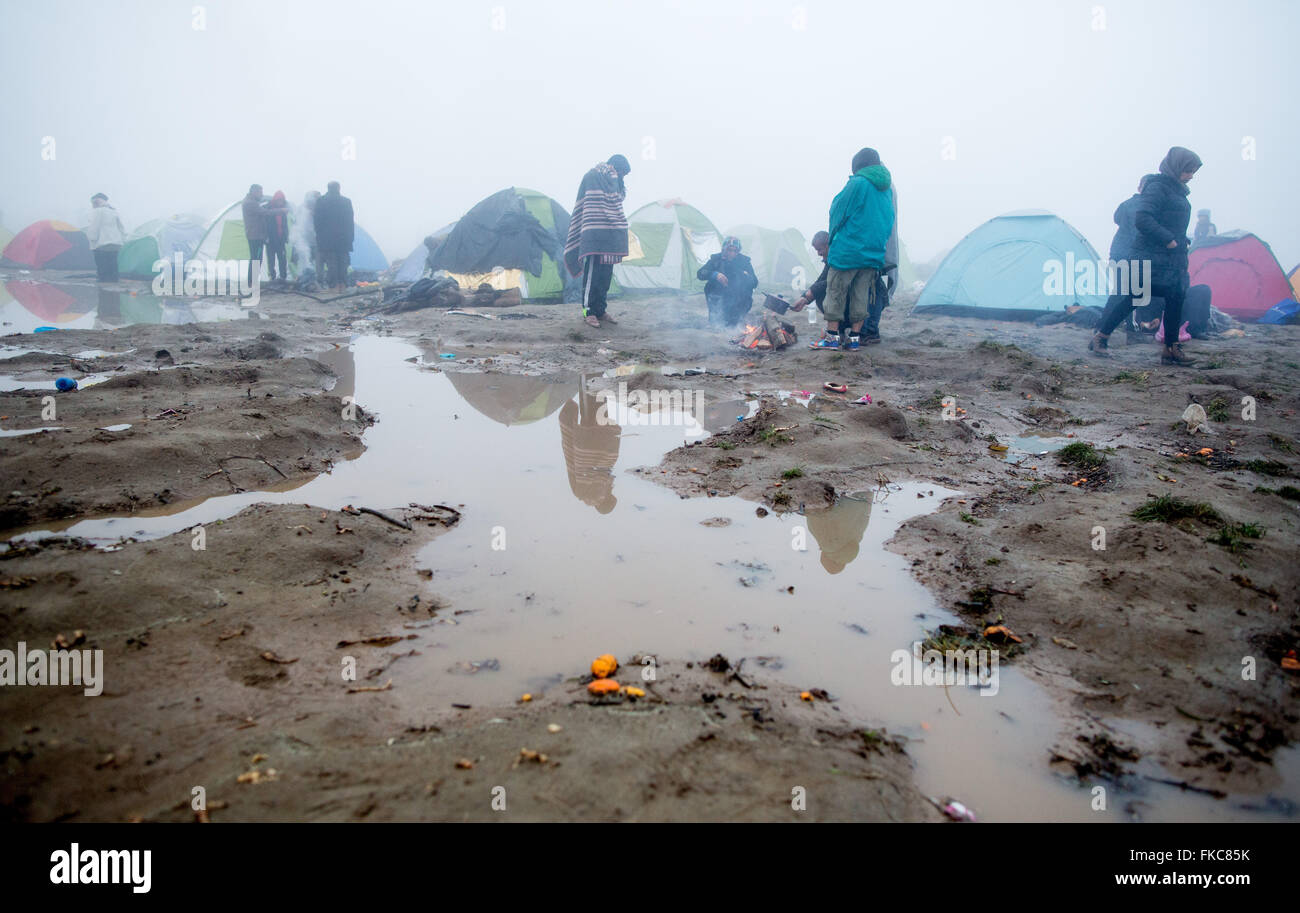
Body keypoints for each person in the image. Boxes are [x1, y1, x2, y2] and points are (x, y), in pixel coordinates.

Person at [1090, 146, 1202, 366]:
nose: (1190, 176)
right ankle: (1101, 337)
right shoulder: (1158, 187)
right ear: (1176, 167)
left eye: (1193, 172)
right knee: (1135, 297)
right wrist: (1168, 239)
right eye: (1187, 170)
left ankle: (1170, 348)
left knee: (1176, 297)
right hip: (1151, 256)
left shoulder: (1176, 190)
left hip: (1172, 259)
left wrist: (1178, 242)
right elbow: (1142, 219)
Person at [812, 147, 895, 351]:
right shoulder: (887, 190)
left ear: (858, 166)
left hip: (849, 251)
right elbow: (888, 221)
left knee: (836, 290)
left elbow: (838, 210)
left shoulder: (857, 183)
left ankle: (832, 338)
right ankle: (854, 339)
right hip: (873, 253)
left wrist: (834, 237)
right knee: (861, 295)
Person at [564, 154, 631, 328]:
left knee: (605, 275)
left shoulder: (615, 182)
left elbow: (615, 203)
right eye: (622, 172)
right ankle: (588, 311)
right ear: (615, 166)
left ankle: (600, 310)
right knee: (593, 273)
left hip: (610, 234)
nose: (622, 176)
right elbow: (592, 203)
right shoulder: (593, 176)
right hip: (595, 233)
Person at [697, 236, 759, 327]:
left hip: (738, 299)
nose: (732, 253)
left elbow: (755, 282)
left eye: (735, 251)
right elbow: (700, 273)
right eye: (729, 250)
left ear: (738, 251)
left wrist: (744, 275)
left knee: (733, 324)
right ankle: (716, 319)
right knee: (717, 324)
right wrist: (714, 274)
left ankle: (737, 319)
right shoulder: (716, 259)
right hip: (719, 298)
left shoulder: (744, 262)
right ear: (723, 249)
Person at [314, 181, 355, 292]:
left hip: (327, 239)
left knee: (332, 264)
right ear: (339, 188)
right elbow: (350, 222)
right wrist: (351, 237)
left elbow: (317, 221)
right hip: (343, 239)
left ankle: (333, 286)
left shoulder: (321, 201)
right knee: (343, 263)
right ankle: (343, 285)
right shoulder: (346, 202)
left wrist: (319, 237)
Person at [792, 230, 831, 321]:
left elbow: (836, 280)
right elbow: (822, 279)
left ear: (828, 245)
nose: (818, 254)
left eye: (819, 249)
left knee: (821, 293)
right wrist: (804, 298)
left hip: (852, 301)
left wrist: (813, 290)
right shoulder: (829, 261)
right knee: (818, 291)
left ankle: (839, 327)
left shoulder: (840, 260)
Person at [86, 193, 125, 283]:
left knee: (101, 263)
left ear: (96, 201)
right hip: (115, 241)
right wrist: (122, 239)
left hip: (101, 242)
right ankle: (114, 279)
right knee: (113, 262)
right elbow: (121, 227)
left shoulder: (98, 211)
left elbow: (94, 227)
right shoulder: (113, 211)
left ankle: (103, 280)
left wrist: (92, 239)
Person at [241, 184, 269, 286]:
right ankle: (252, 282)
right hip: (255, 236)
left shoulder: (252, 202)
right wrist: (280, 211)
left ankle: (252, 281)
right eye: (260, 192)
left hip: (255, 235)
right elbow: (264, 212)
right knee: (256, 259)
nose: (261, 194)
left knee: (256, 259)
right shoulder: (250, 203)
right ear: (254, 192)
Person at [264, 190, 291, 283]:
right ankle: (272, 276)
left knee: (282, 259)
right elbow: (264, 225)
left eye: (282, 200)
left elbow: (285, 225)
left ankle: (283, 277)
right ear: (275, 200)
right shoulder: (268, 208)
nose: (280, 202)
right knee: (271, 260)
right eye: (279, 200)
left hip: (280, 239)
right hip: (270, 239)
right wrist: (265, 237)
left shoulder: (283, 210)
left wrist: (286, 236)